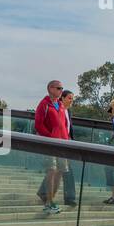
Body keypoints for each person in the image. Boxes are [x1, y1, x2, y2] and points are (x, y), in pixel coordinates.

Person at [34, 80, 70, 214]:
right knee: (51, 171)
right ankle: (48, 202)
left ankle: (51, 200)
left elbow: (64, 125)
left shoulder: (61, 105)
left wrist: (66, 141)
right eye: (59, 88)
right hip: (50, 145)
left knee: (60, 171)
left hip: (62, 144)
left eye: (62, 88)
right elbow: (38, 124)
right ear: (50, 88)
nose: (61, 91)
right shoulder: (44, 104)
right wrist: (50, 137)